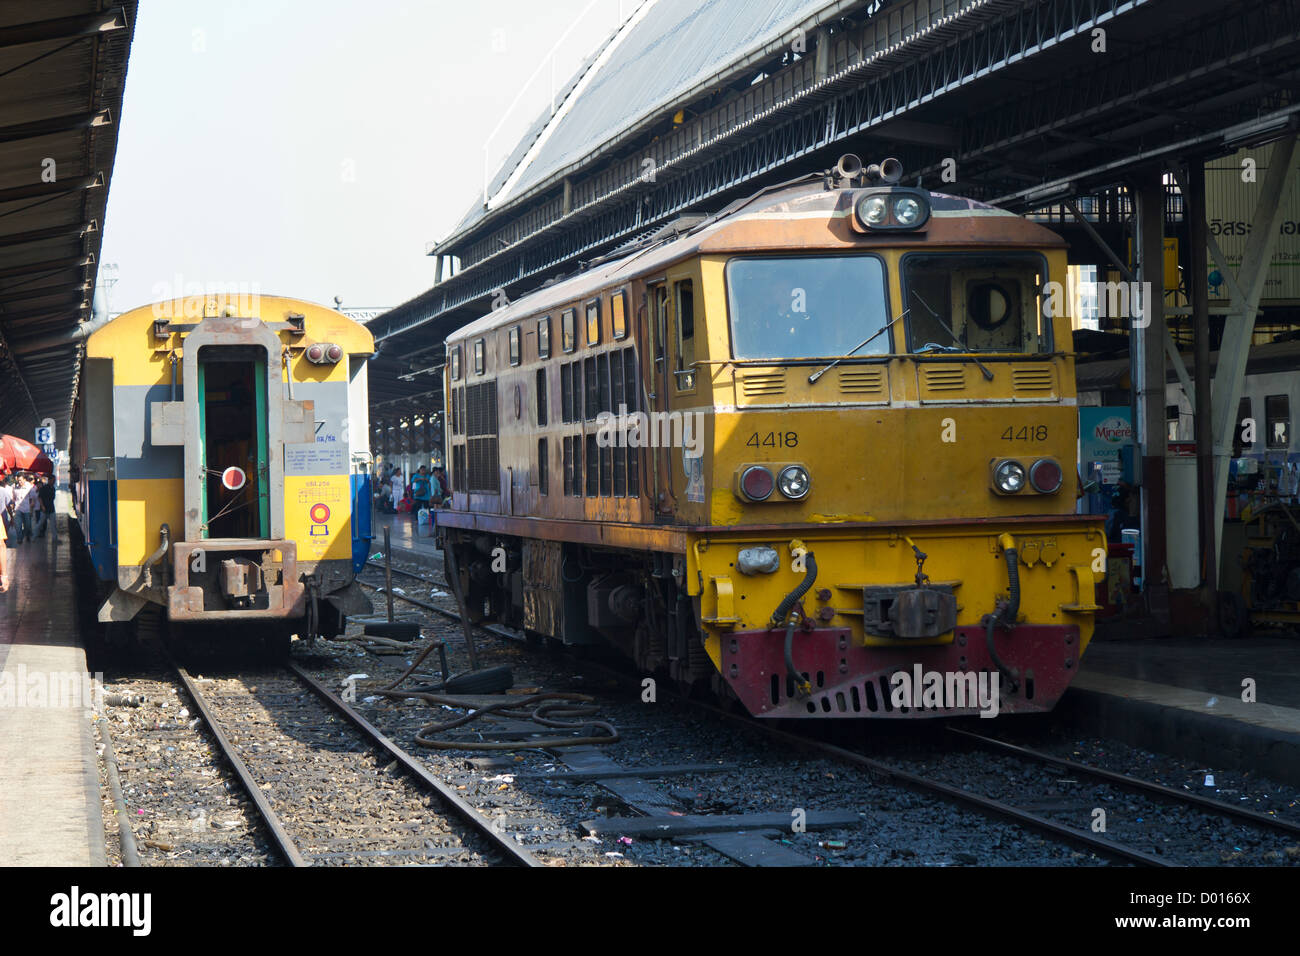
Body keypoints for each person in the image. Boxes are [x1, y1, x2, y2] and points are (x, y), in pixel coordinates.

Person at [11, 474, 38, 544]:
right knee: (18, 525)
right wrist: (13, 506)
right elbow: (14, 498)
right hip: (18, 509)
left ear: (24, 480)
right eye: (18, 480)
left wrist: (32, 505)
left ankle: (26, 534)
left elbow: (33, 499)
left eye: (21, 480)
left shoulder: (29, 488)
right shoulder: (15, 488)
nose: (19, 482)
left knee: (28, 525)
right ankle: (19, 538)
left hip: (27, 509)